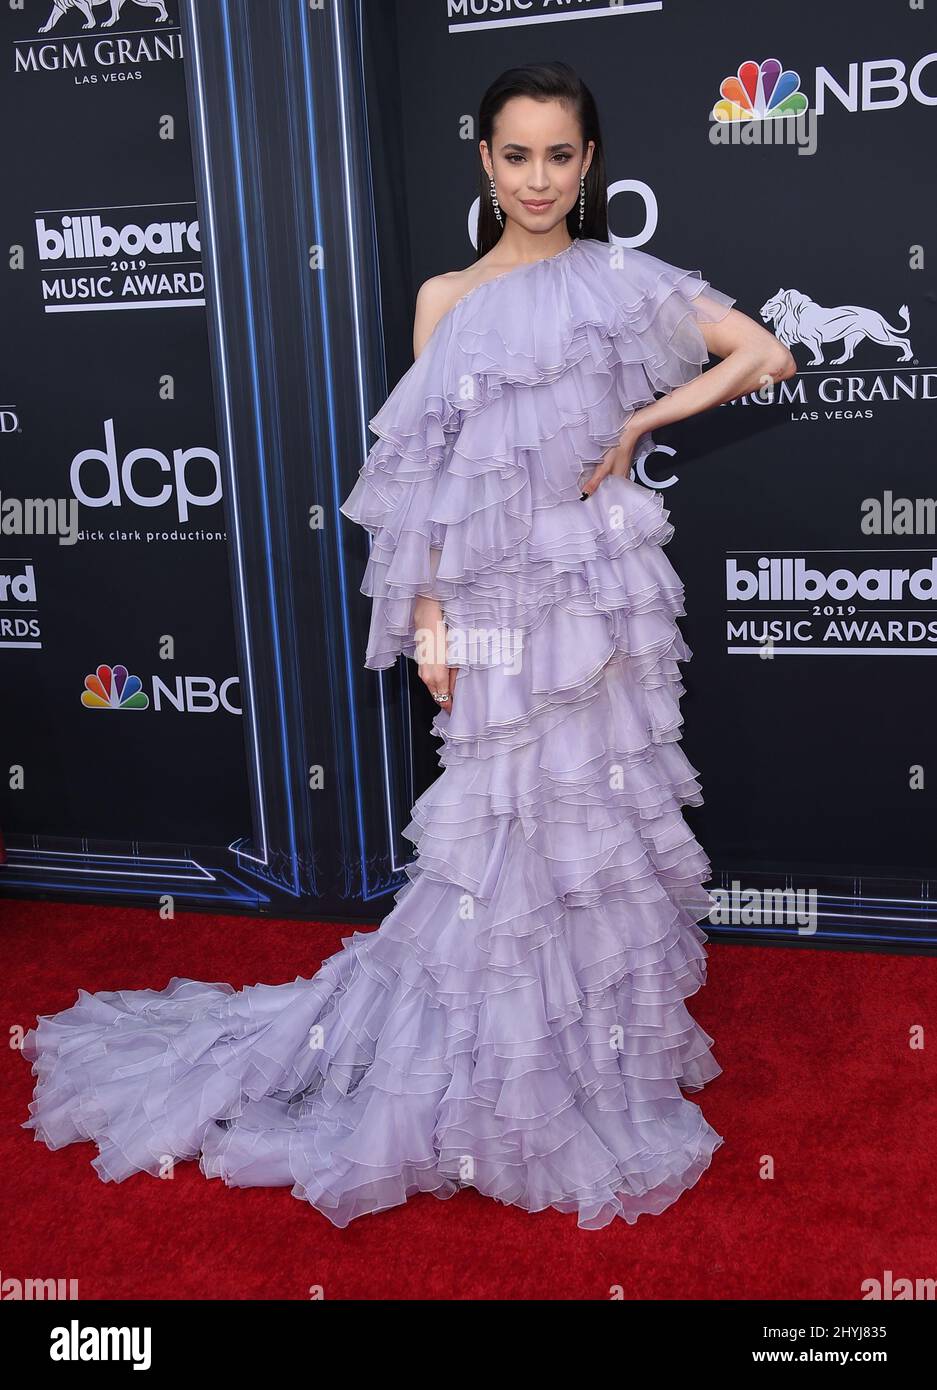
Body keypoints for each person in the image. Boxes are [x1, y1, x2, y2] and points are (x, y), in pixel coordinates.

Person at [19, 62, 794, 1230]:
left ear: (590, 165)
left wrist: (642, 417)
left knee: (592, 828)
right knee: (496, 833)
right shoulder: (445, 298)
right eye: (516, 154)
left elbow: (764, 352)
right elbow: (422, 476)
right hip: (493, 602)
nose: (538, 177)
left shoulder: (624, 281)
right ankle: (491, 1067)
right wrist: (430, 616)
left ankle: (583, 1059)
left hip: (597, 596)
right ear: (483, 161)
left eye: (560, 155)